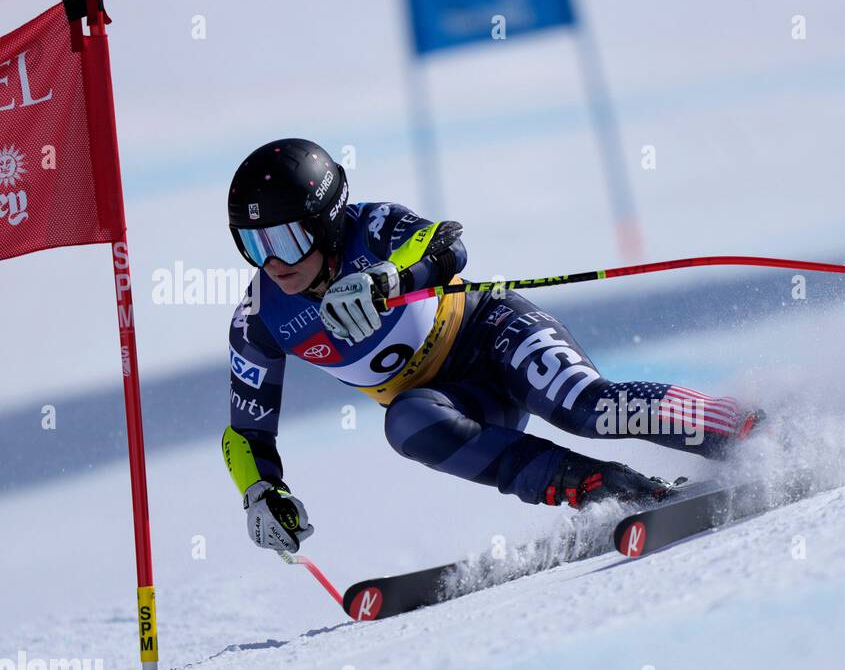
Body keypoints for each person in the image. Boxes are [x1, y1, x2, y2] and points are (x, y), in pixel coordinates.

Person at [222, 138, 761, 554]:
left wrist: (390, 276)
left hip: (492, 332)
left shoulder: (373, 225)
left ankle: (741, 427)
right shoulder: (261, 319)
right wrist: (261, 493)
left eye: (286, 238)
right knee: (406, 424)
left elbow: (447, 242)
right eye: (253, 244)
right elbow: (247, 431)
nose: (272, 261)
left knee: (584, 406)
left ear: (328, 220)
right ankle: (614, 489)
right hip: (452, 401)